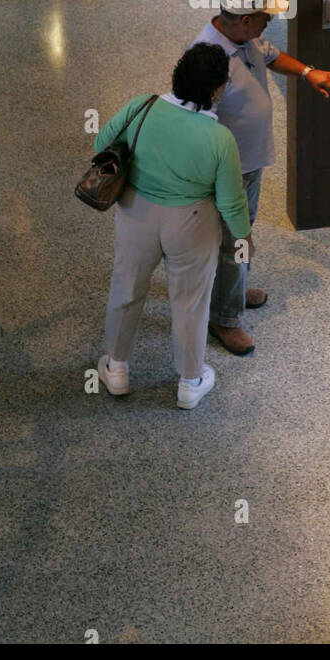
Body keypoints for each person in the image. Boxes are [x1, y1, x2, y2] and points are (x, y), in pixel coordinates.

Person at [94, 44, 252, 409]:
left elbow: (101, 144)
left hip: (136, 212)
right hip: (192, 224)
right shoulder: (219, 139)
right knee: (190, 302)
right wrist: (244, 237)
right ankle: (189, 382)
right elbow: (231, 201)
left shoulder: (142, 107)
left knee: (126, 286)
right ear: (215, 91)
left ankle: (116, 368)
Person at [190, 0, 330, 356]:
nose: (269, 21)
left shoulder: (244, 39)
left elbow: (271, 55)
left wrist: (308, 73)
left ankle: (233, 290)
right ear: (243, 20)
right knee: (233, 242)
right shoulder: (207, 59)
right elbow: (191, 123)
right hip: (227, 173)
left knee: (240, 237)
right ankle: (225, 319)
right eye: (264, 16)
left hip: (249, 164)